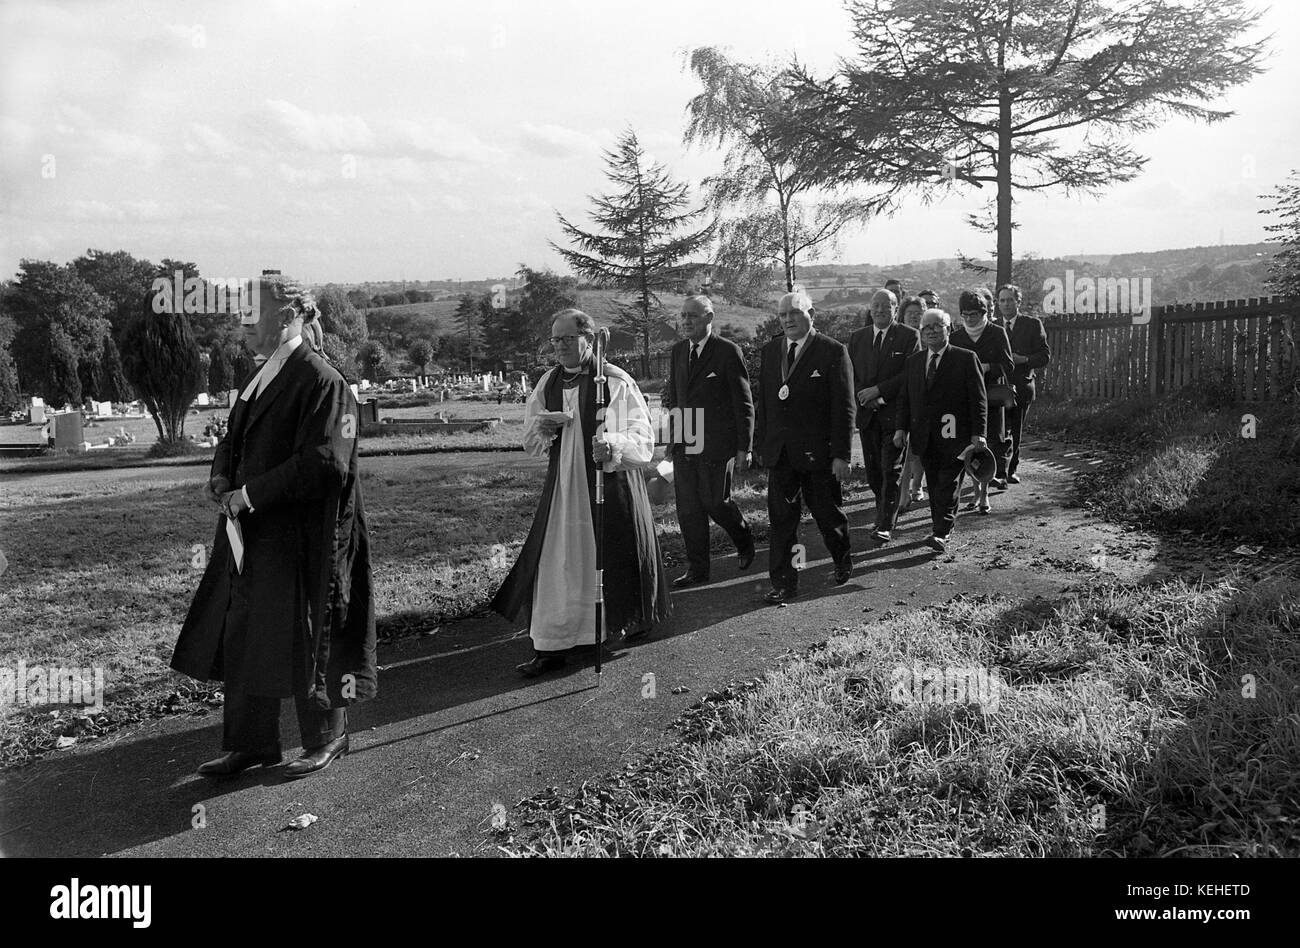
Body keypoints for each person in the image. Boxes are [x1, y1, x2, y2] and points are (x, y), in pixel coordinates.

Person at [172, 272, 376, 780]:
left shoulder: (322, 380)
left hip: (307, 533)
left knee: (309, 629)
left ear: (286, 318)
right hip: (255, 532)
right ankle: (252, 743)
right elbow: (233, 438)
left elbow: (328, 462)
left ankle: (329, 736)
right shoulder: (261, 376)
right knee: (245, 628)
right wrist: (220, 475)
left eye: (249, 314)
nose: (240, 324)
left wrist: (251, 494)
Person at [492, 308, 670, 677]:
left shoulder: (615, 381)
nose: (559, 346)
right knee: (558, 561)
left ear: (588, 338)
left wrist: (615, 445)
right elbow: (531, 441)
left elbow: (644, 438)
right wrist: (542, 429)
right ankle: (553, 643)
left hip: (609, 484)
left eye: (567, 338)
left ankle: (605, 630)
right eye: (555, 339)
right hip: (564, 489)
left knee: (603, 554)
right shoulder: (548, 383)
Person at [754, 289, 855, 602]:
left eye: (794, 313)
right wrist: (761, 443)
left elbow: (844, 408)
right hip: (781, 454)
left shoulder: (832, 351)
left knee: (827, 515)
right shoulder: (771, 351)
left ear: (812, 314)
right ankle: (785, 582)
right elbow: (766, 402)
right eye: (783, 315)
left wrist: (841, 454)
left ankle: (841, 557)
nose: (787, 320)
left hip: (819, 455)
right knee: (783, 520)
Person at [661, 295, 755, 587]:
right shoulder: (678, 351)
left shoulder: (728, 351)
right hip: (686, 438)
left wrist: (745, 448)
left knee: (715, 501)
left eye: (693, 316)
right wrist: (672, 439)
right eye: (684, 315)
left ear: (709, 318)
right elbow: (676, 398)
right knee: (688, 509)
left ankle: (744, 539)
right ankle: (697, 570)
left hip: (717, 442)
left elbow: (743, 403)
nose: (686, 321)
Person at [894, 308, 988, 553]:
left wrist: (979, 433)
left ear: (949, 329)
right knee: (935, 484)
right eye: (927, 327)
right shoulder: (914, 362)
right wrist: (901, 428)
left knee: (948, 483)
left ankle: (941, 532)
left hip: (957, 437)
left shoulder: (966, 358)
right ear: (921, 333)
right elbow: (905, 398)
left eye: (938, 326)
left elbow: (978, 399)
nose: (932, 331)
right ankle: (942, 526)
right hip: (925, 437)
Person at [848, 289, 919, 544]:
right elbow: (851, 374)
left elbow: (910, 374)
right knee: (874, 473)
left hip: (896, 415)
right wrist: (864, 395)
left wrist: (880, 391)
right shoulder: (858, 338)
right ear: (870, 308)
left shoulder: (909, 336)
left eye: (886, 306)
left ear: (895, 308)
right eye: (875, 306)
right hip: (868, 415)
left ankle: (886, 523)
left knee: (892, 470)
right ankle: (882, 511)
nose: (880, 310)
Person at [950, 289, 1014, 508]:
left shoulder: (996, 332)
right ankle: (976, 492)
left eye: (974, 315)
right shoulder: (956, 337)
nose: (969, 319)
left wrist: (985, 367)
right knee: (969, 447)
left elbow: (1008, 365)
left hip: (990, 398)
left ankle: (984, 493)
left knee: (987, 445)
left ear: (983, 312)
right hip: (965, 399)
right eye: (965, 315)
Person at [997, 284, 1051, 484]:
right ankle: (997, 471)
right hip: (997, 388)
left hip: (1021, 386)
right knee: (999, 430)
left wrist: (1025, 360)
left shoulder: (1031, 324)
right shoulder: (993, 326)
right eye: (1002, 300)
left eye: (1010, 300)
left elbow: (1044, 356)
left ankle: (1010, 470)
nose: (1006, 304)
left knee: (1015, 430)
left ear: (1018, 302)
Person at [895, 296, 928, 510]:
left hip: (925, 400)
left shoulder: (931, 336)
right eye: (910, 313)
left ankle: (918, 484)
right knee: (905, 449)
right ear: (903, 315)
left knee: (921, 448)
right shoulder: (899, 338)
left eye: (918, 313)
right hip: (902, 398)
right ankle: (904, 489)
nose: (914, 316)